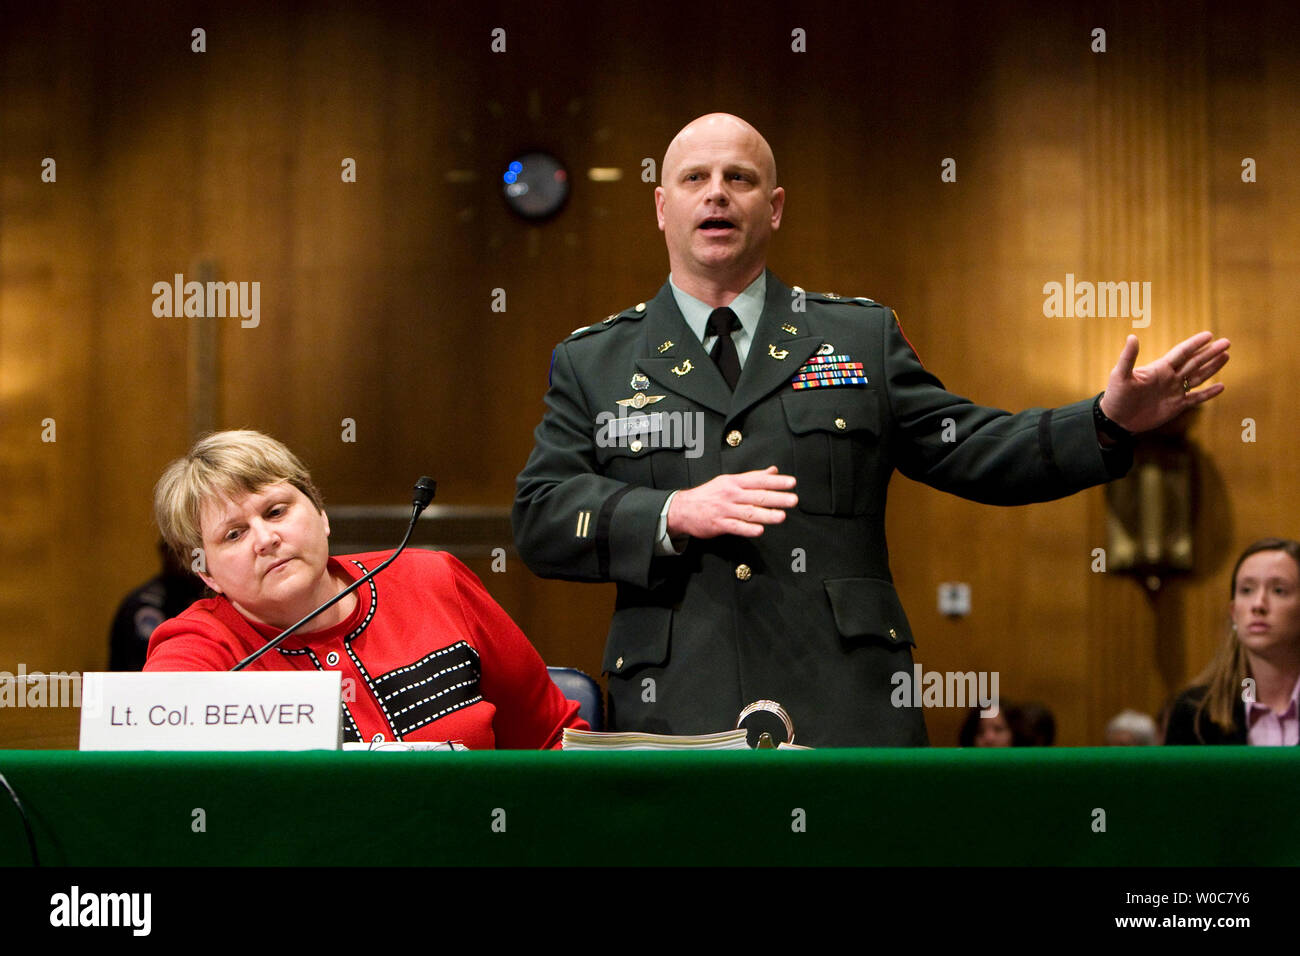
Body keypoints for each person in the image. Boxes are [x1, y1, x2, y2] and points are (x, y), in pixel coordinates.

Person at [512, 112, 1231, 747]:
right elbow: (542, 515)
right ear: (662, 209)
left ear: (776, 207)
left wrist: (1104, 423)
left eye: (740, 177)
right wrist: (672, 511)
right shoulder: (596, 360)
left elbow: (971, 447)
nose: (718, 192)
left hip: (843, 704)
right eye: (695, 178)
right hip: (677, 712)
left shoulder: (856, 337)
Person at [145, 430, 587, 749]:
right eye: (234, 535)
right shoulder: (200, 647)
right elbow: (152, 776)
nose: (265, 539)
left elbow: (552, 739)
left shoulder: (434, 581)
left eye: (276, 511)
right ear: (206, 573)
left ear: (320, 514)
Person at [1165, 538, 1300, 745]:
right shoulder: (1194, 713)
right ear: (1233, 612)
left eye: (1278, 590)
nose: (1258, 605)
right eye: (1247, 590)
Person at [108, 539, 205, 670]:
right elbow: (146, 666)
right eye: (181, 552)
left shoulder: (199, 596)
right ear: (166, 553)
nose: (193, 560)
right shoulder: (146, 606)